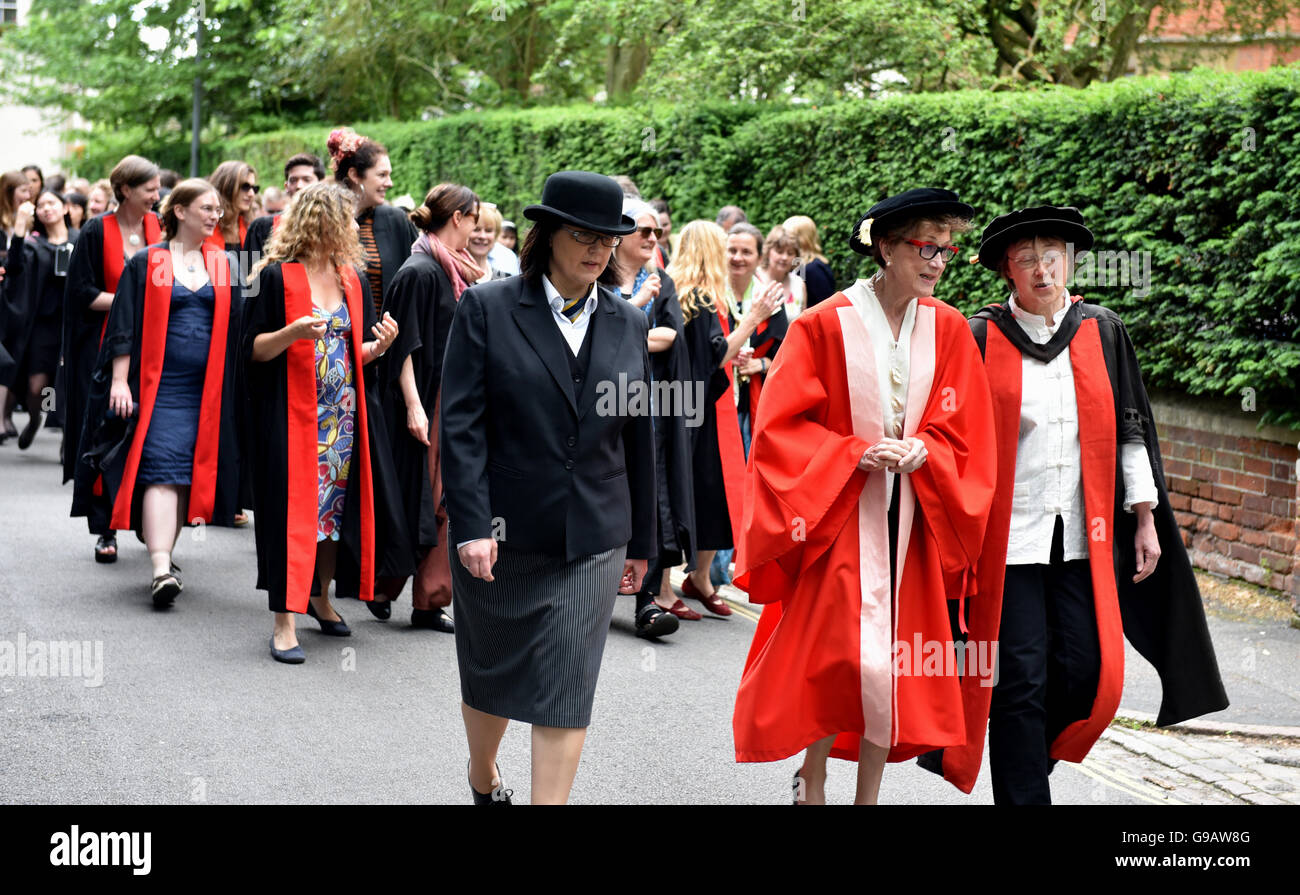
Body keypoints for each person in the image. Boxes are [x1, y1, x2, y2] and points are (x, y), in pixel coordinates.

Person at [920, 205, 1229, 803]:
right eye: (1027, 259)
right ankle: (1024, 793)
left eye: (1052, 255)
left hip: (1084, 536)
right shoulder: (978, 337)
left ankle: (1027, 764)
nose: (1042, 269)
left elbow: (1129, 426)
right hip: (1005, 543)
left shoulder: (1101, 330)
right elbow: (948, 434)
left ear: (1070, 261)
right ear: (1007, 271)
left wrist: (1143, 517)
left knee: (1088, 674)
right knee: (1018, 681)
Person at [732, 188, 997, 805]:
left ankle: (868, 797)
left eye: (947, 250)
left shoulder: (952, 329)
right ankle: (815, 773)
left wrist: (925, 449)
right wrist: (854, 453)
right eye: (925, 247)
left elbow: (969, 431)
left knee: (894, 667)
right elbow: (781, 427)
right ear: (886, 245)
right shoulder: (825, 323)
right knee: (842, 660)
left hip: (913, 522)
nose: (937, 262)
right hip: (842, 518)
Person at [440, 170, 656, 804]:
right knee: (492, 670)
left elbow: (639, 438)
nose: (597, 249)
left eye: (609, 238)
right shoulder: (487, 307)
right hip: (502, 532)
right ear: (547, 234)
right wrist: (473, 525)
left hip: (594, 532)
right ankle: (483, 772)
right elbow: (461, 428)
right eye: (582, 234)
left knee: (567, 682)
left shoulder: (628, 323)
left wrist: (643, 540)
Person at [244, 182, 404, 664]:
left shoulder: (350, 279)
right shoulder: (273, 277)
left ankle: (321, 597)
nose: (355, 229)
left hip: (343, 417)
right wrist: (292, 331)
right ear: (322, 222)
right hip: (290, 419)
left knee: (331, 518)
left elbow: (352, 355)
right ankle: (283, 622)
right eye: (347, 221)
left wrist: (378, 348)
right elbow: (250, 350)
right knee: (289, 515)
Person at [72, 179, 243, 608]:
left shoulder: (223, 264)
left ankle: (163, 552)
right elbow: (123, 323)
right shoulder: (150, 261)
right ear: (179, 211)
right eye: (205, 208)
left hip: (205, 393)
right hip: (158, 387)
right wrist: (118, 380)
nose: (214, 216)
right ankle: (161, 568)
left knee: (185, 473)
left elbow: (240, 327)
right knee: (161, 468)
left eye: (218, 210)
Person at [374, 182, 482, 632]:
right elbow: (403, 347)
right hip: (424, 402)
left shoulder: (455, 270)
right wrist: (416, 407)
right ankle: (382, 586)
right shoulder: (419, 271)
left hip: (450, 399)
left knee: (444, 500)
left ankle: (429, 599)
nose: (478, 230)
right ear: (458, 217)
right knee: (417, 497)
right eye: (474, 218)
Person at [666, 221, 781, 622]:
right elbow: (715, 356)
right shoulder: (699, 298)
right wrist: (754, 318)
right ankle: (680, 582)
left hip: (697, 404)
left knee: (707, 491)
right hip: (702, 407)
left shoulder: (679, 290)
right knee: (705, 491)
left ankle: (698, 578)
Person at [62, 155, 161, 563]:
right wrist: (129, 305)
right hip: (100, 349)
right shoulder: (94, 231)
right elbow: (82, 293)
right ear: (126, 191)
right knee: (105, 433)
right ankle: (105, 527)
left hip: (150, 348)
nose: (157, 196)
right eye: (149, 189)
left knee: (145, 433)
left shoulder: (158, 228)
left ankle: (146, 519)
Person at [606, 197, 695, 638]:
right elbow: (595, 334)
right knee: (607, 487)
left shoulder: (662, 280)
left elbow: (670, 335)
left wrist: (627, 325)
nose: (652, 239)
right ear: (620, 234)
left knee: (651, 494)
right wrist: (636, 308)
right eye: (644, 231)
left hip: (652, 405)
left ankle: (645, 601)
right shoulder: (597, 276)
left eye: (658, 232)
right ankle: (595, 593)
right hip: (603, 404)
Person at [1, 189, 77, 449]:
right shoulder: (34, 244)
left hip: (74, 323)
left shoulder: (80, 239)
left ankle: (68, 437)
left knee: (69, 383)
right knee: (38, 387)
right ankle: (36, 417)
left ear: (64, 208)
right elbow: (14, 269)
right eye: (41, 205)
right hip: (43, 325)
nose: (47, 208)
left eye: (52, 203)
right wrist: (20, 230)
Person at [328, 127, 417, 316]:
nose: (390, 183)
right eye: (382, 175)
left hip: (385, 336)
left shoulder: (396, 220)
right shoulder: (323, 222)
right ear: (354, 174)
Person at [0, 171, 35, 441]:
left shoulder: (30, 223)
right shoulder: (7, 226)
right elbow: (12, 265)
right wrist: (20, 229)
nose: (28, 195)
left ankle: (34, 417)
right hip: (4, 297)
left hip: (18, 300)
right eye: (22, 190)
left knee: (12, 360)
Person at [243, 153, 326, 265]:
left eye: (307, 179)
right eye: (293, 180)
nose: (299, 185)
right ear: (286, 187)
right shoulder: (261, 228)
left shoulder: (330, 228)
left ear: (321, 185)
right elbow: (249, 277)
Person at [783, 215, 836, 309]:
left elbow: (826, 305)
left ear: (801, 239)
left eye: (787, 236)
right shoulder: (801, 266)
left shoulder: (813, 269)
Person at [755, 224, 806, 320]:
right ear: (768, 251)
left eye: (790, 253)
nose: (784, 257)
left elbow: (802, 322)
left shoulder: (799, 284)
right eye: (779, 251)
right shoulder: (755, 278)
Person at [207, 161, 257, 253]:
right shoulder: (205, 225)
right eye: (245, 187)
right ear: (226, 187)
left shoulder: (251, 227)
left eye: (254, 188)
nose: (251, 194)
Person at [465, 202, 512, 283]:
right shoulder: (454, 275)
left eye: (488, 231)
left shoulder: (505, 280)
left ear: (496, 235)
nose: (482, 236)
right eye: (476, 230)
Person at [649, 198, 672, 265]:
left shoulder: (678, 242)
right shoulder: (645, 251)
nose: (662, 230)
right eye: (657, 226)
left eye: (665, 225)